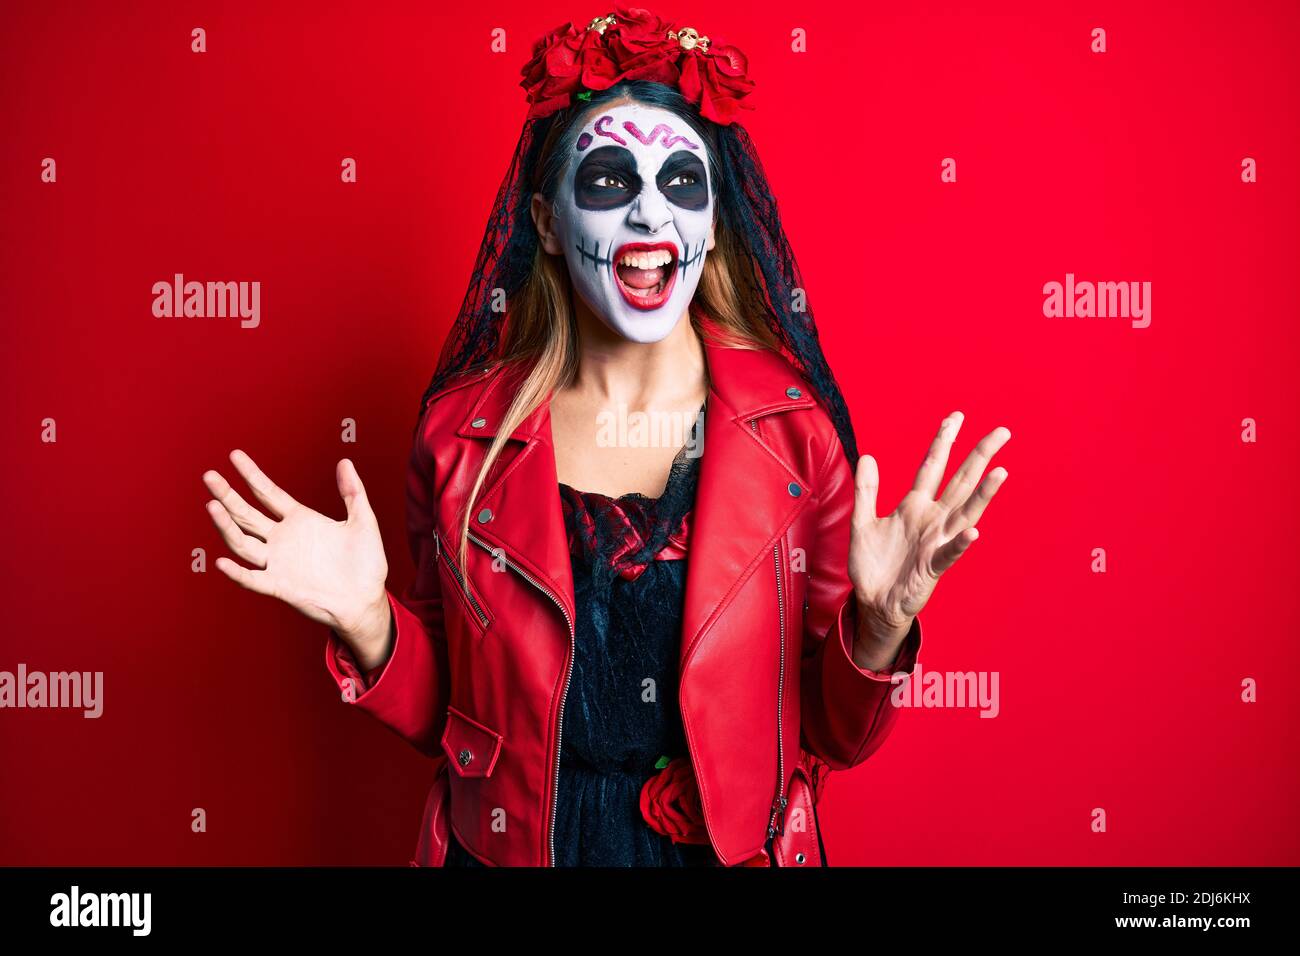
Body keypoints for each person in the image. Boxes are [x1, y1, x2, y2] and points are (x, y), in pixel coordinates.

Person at [201, 5, 1010, 867]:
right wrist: (370, 623)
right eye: (610, 182)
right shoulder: (458, 440)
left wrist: (880, 627)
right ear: (547, 223)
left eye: (682, 184)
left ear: (712, 221)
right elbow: (459, 725)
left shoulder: (797, 440)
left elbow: (834, 737)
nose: (650, 215)